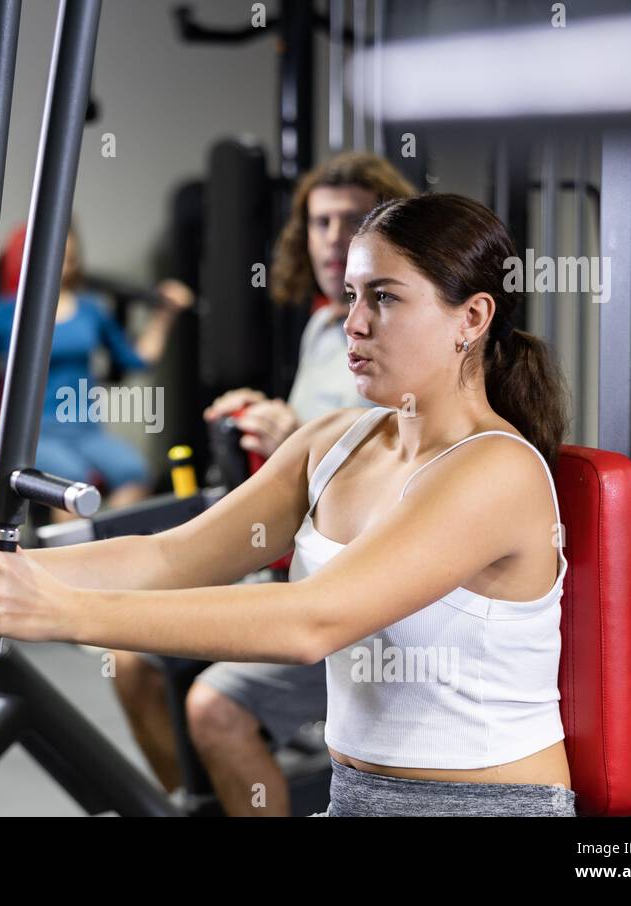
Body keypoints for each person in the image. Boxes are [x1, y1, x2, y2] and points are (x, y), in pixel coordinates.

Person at [0, 193, 577, 817]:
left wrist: (60, 612)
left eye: (384, 297)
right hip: (355, 796)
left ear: (472, 317)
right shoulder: (336, 441)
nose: (354, 322)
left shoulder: (494, 471)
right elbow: (172, 555)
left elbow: (311, 622)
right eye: (352, 296)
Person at [112, 153, 417, 816]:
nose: (335, 239)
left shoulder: (407, 335)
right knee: (128, 660)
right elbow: (320, 442)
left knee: (216, 707)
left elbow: (401, 471)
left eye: (354, 221)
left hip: (368, 601)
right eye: (320, 222)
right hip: (295, 568)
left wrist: (300, 444)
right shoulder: (320, 329)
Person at [0, 227, 193, 519]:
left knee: (133, 472)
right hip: (34, 434)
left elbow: (137, 360)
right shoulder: (9, 312)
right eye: (54, 255)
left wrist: (166, 314)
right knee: (72, 484)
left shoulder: (91, 310)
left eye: (69, 257)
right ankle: (71, 558)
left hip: (86, 429)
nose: (61, 264)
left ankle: (103, 552)